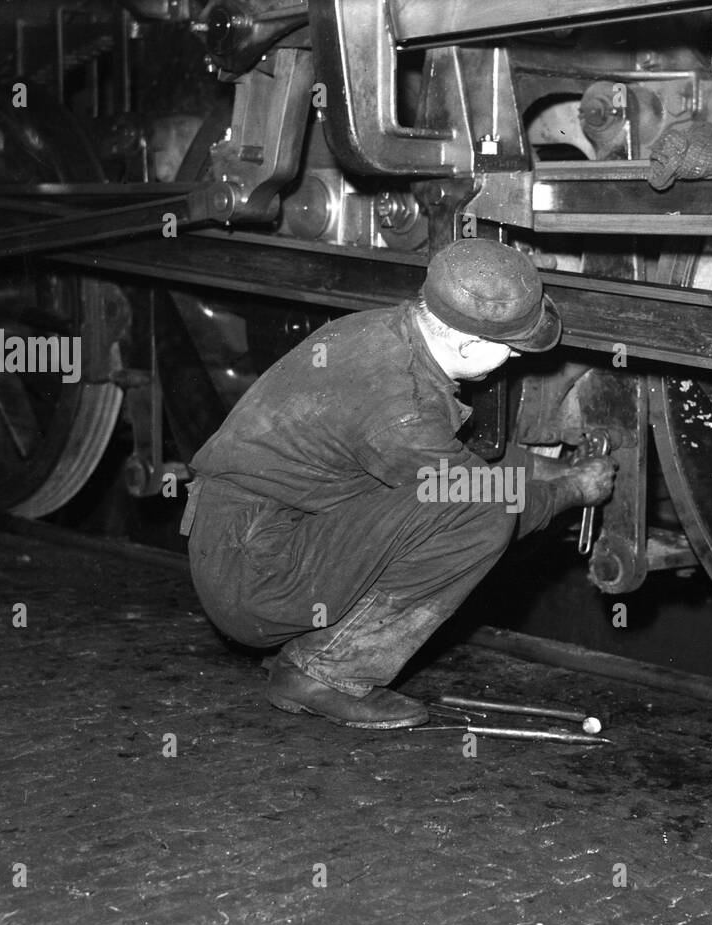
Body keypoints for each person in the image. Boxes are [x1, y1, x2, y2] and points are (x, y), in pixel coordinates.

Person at [181, 238, 616, 728]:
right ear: (471, 344)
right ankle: (323, 672)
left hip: (247, 536)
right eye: (512, 352)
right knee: (484, 511)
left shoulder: (380, 330)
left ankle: (311, 639)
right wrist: (574, 489)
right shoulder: (400, 412)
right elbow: (485, 495)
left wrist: (537, 470)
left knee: (454, 490)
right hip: (252, 574)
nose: (514, 361)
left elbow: (438, 465)